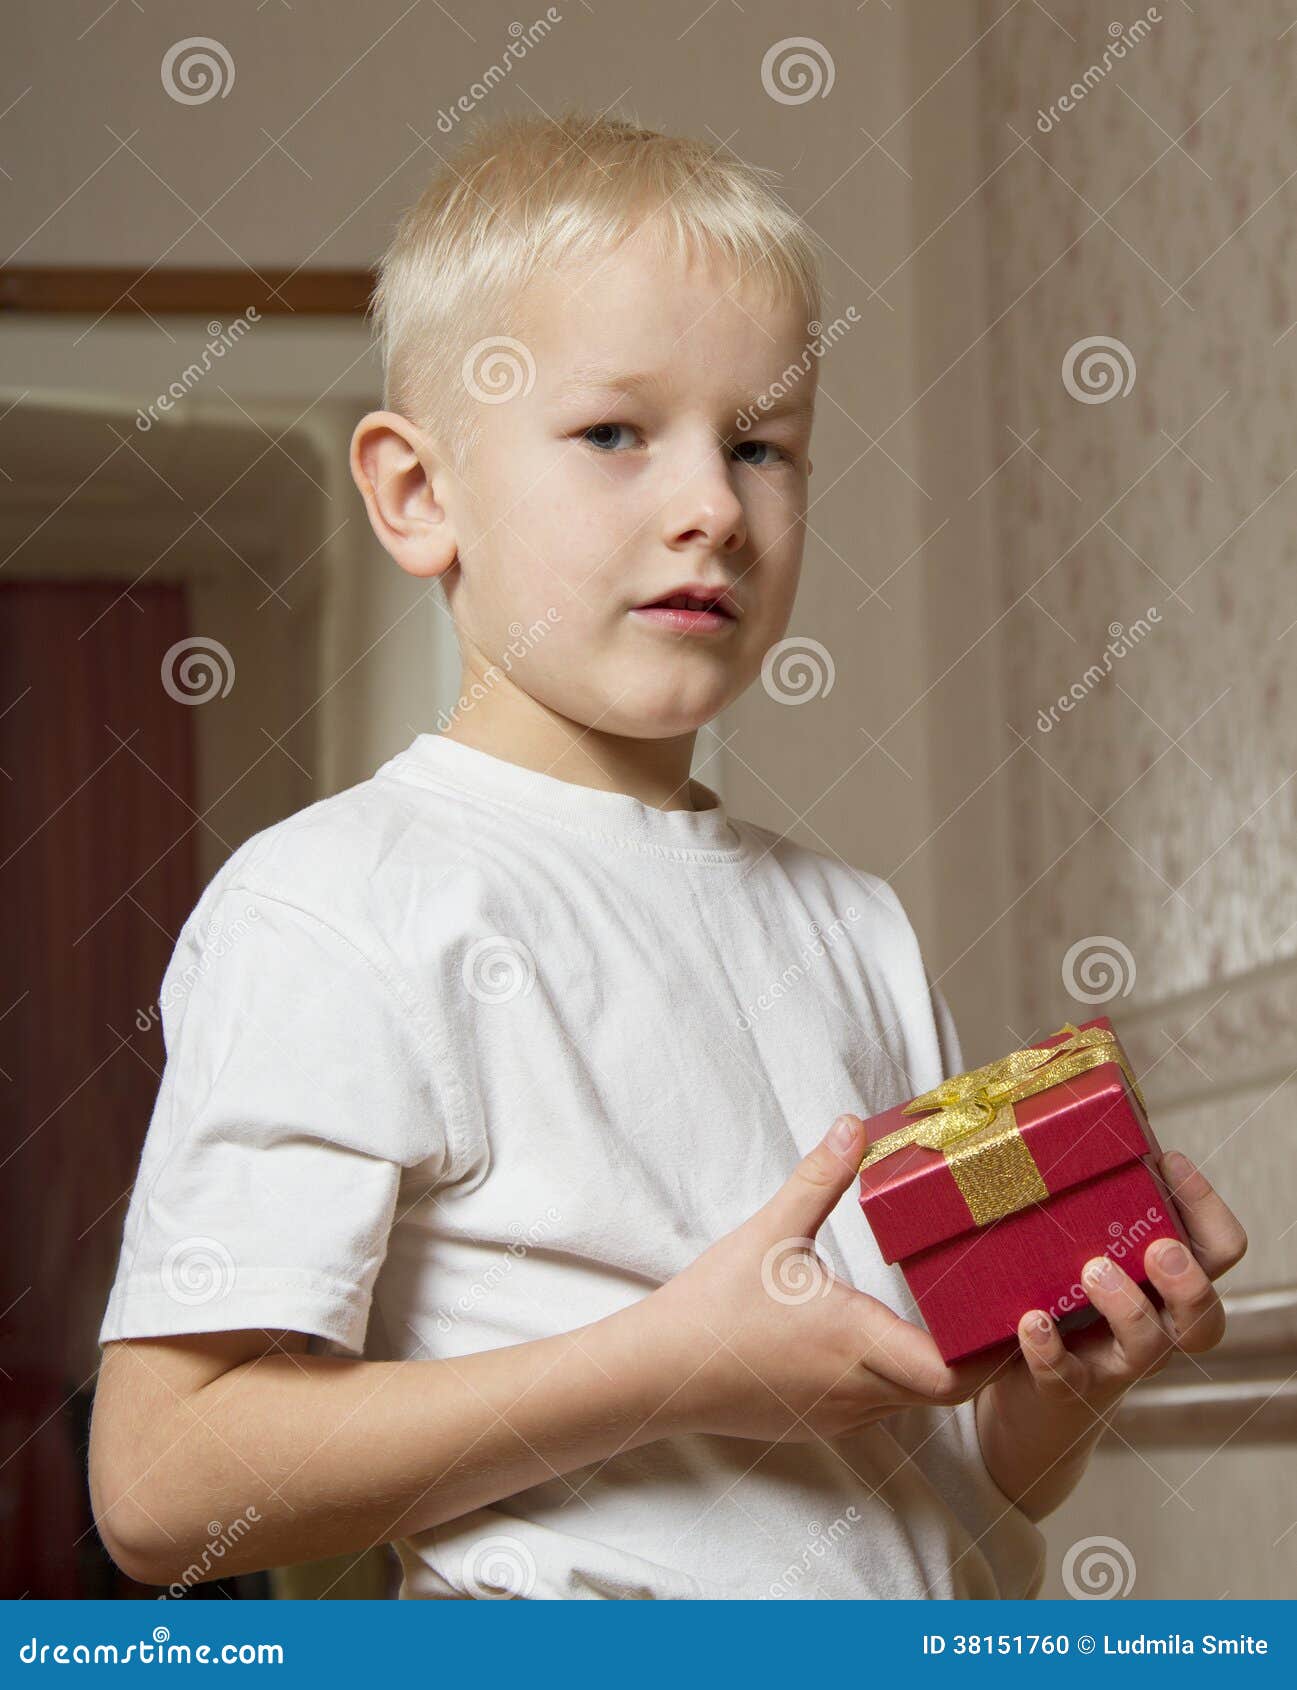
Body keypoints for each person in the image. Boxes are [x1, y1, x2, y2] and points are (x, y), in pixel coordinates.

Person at [88, 109, 1247, 1601]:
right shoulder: (333, 903)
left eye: (760, 443)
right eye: (614, 433)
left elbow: (956, 1463)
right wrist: (668, 1366)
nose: (711, 505)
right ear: (416, 493)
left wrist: (1066, 1364)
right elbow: (161, 1482)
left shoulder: (855, 923)